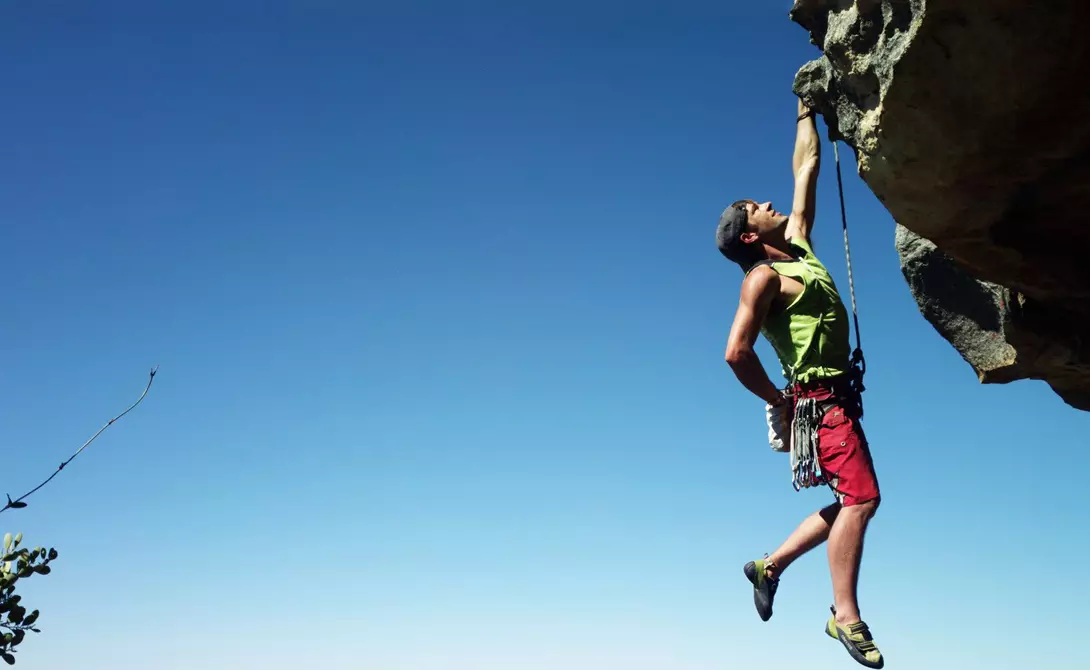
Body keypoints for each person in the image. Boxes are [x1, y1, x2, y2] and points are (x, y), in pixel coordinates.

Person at [715, 97, 884, 669]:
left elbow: (805, 169)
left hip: (837, 400)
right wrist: (779, 398)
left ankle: (770, 567)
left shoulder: (800, 248)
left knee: (851, 497)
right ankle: (845, 615)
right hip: (819, 404)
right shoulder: (762, 278)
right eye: (753, 207)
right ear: (746, 236)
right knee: (862, 499)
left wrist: (803, 111)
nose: (767, 204)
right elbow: (737, 353)